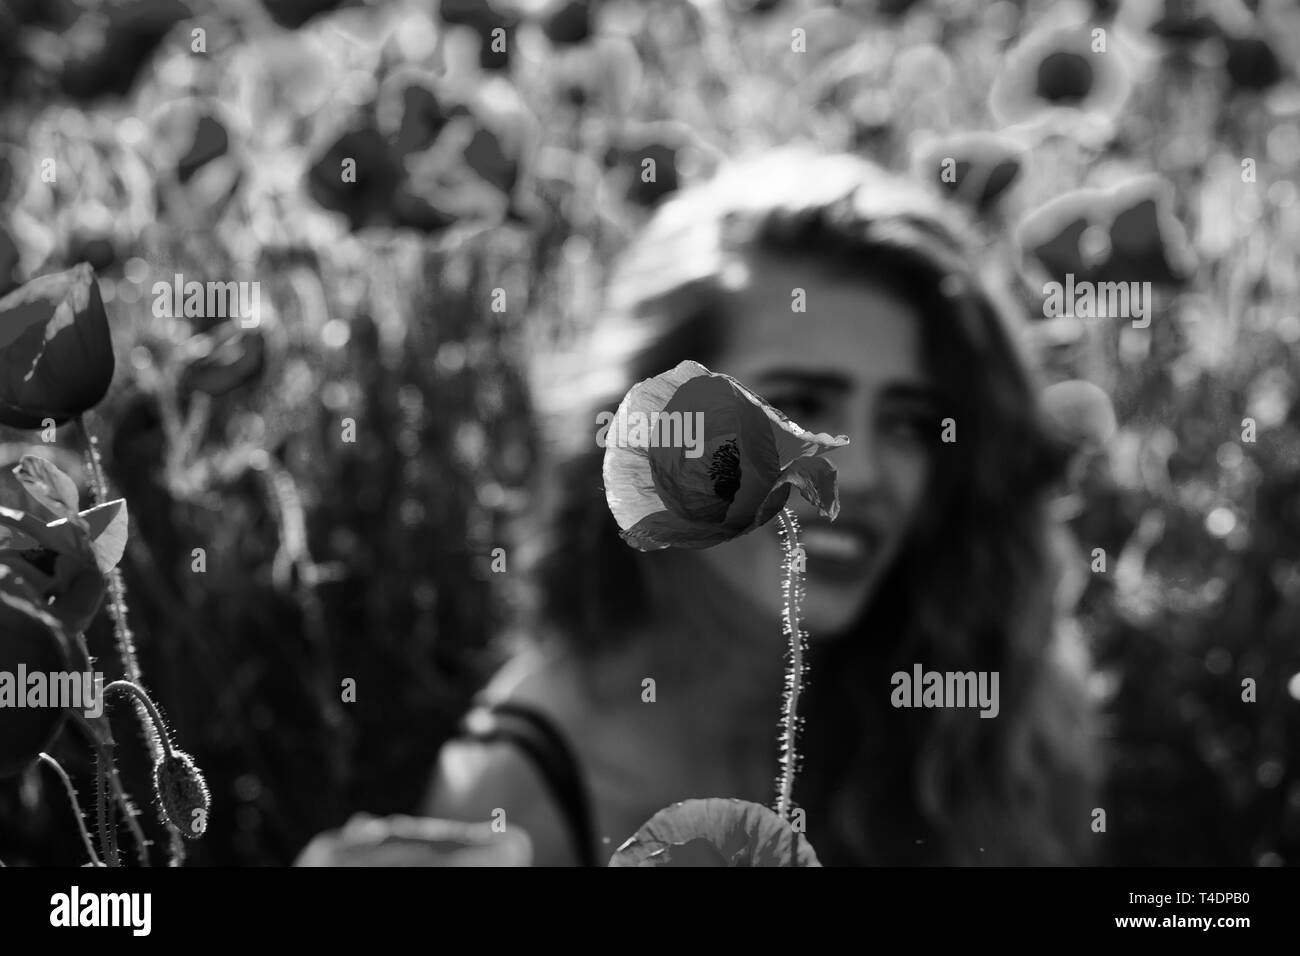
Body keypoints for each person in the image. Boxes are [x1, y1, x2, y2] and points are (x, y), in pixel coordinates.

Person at [302, 146, 1103, 867]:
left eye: (908, 421)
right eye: (798, 401)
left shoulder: (976, 707)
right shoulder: (526, 802)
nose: (858, 473)